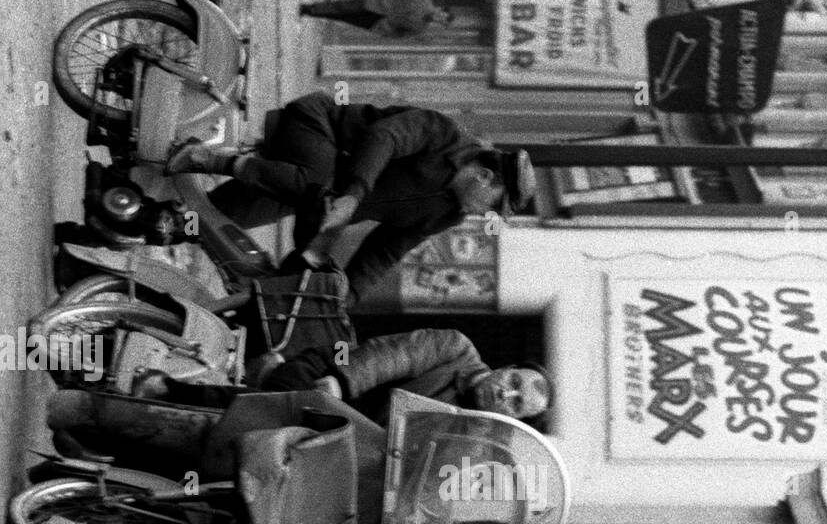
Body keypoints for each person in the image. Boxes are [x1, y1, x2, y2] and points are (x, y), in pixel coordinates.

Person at [163, 98, 537, 303]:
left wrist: (348, 295)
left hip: (314, 199)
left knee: (212, 225)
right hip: (317, 130)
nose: (482, 214)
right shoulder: (442, 133)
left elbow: (387, 250)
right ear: (485, 176)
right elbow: (384, 137)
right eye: (492, 205)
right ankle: (205, 157)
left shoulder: (448, 214)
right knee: (314, 183)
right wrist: (355, 195)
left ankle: (136, 216)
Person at [150, 328, 554, 426]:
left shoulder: (475, 437)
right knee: (277, 411)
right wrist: (341, 382)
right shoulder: (455, 348)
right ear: (506, 369)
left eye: (516, 404)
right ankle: (164, 390)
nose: (506, 394)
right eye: (514, 383)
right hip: (335, 377)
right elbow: (394, 356)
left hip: (344, 437)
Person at [299, 0, 453, 38]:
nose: (438, 18)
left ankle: (313, 12)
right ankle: (309, 8)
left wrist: (384, 32)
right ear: (440, 9)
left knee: (344, 17)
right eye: (441, 15)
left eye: (441, 21)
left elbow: (399, 36)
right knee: (344, 7)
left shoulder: (420, 29)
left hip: (376, 23)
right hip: (376, 3)